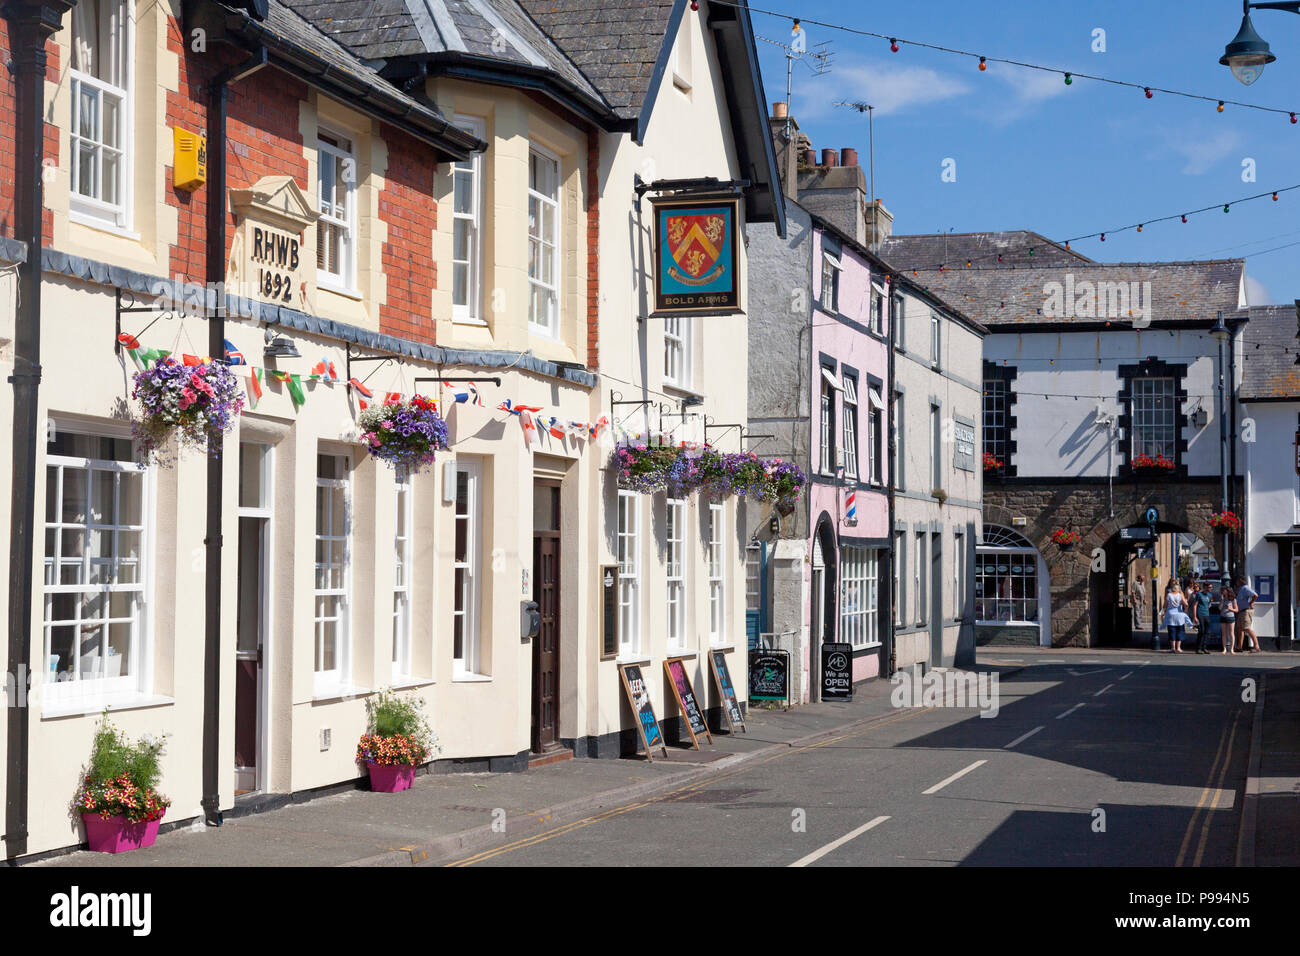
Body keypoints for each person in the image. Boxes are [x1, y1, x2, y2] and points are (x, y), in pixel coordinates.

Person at [1163, 579, 1191, 653]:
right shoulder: (1180, 595)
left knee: (1172, 631)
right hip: (1179, 615)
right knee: (1180, 630)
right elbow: (1186, 604)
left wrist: (1163, 612)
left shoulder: (1169, 595)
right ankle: (1178, 648)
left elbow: (1165, 605)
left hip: (1171, 614)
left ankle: (1173, 648)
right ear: (1178, 589)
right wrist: (1185, 611)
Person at [1235, 575, 1260, 653]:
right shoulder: (1241, 589)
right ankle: (1239, 647)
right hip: (1241, 611)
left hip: (1246, 611)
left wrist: (1251, 602)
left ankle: (1256, 646)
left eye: (1237, 581)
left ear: (1240, 580)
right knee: (1239, 628)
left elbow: (1255, 595)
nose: (1236, 582)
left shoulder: (1245, 588)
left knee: (1247, 628)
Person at [1189, 580, 1212, 654]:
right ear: (1205, 587)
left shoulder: (1209, 595)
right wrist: (1195, 616)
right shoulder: (1199, 594)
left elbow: (1208, 604)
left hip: (1207, 614)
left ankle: (1204, 648)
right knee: (1201, 631)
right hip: (1200, 614)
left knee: (1207, 632)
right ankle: (1198, 648)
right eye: (1209, 587)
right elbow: (1195, 605)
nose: (1211, 588)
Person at [1219, 584, 1238, 655]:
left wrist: (1231, 609)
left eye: (1224, 591)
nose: (1223, 592)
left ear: (1227, 591)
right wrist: (1222, 600)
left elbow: (1236, 610)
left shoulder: (1233, 599)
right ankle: (1224, 649)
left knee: (1231, 633)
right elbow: (1220, 608)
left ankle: (1232, 649)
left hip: (1230, 617)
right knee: (1224, 633)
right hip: (1223, 617)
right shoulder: (1223, 599)